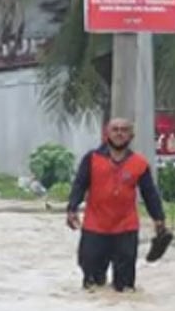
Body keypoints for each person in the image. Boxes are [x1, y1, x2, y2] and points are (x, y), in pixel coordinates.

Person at [66, 118, 167, 293]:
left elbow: (149, 193)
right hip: (95, 228)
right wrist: (72, 209)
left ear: (131, 135)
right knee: (92, 284)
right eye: (115, 129)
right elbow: (79, 185)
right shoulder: (92, 159)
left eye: (124, 130)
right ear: (107, 133)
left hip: (125, 229)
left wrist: (159, 219)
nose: (119, 133)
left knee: (125, 288)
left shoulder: (139, 164)